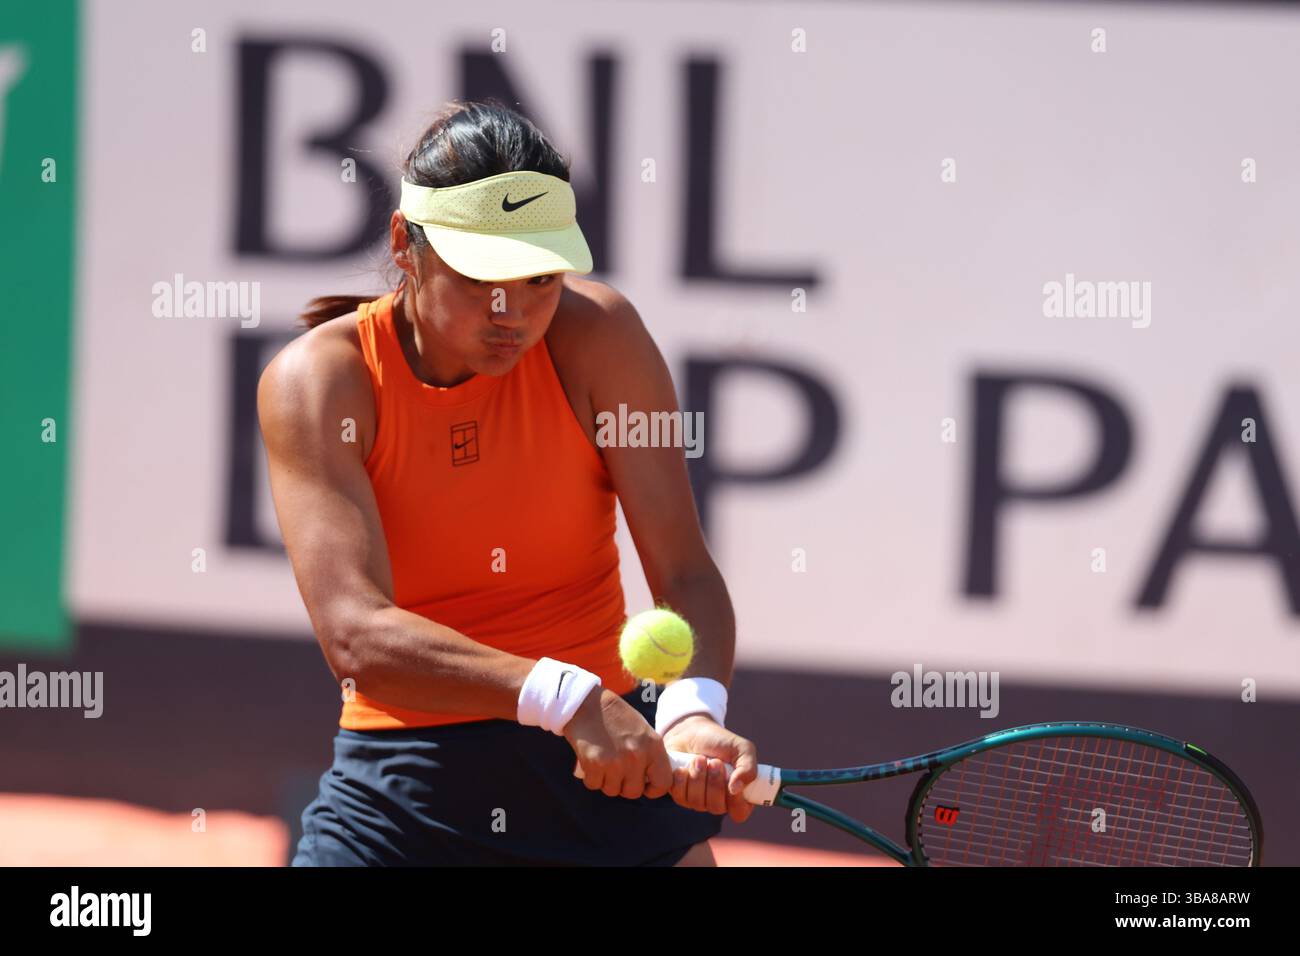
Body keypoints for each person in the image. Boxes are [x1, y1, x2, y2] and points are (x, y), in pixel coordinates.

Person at [257, 99, 758, 866]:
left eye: (540, 279)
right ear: (404, 245)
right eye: (482, 278)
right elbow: (357, 635)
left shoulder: (602, 340)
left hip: (610, 771)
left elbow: (685, 571)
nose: (512, 313)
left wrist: (690, 711)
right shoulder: (320, 383)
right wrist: (566, 698)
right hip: (409, 780)